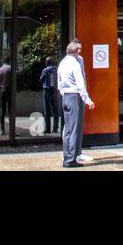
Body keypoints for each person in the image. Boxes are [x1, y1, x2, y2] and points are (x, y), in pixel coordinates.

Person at [57, 40, 95, 168]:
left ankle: (66, 157)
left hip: (65, 97)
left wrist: (64, 94)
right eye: (79, 50)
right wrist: (88, 100)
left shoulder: (62, 63)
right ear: (75, 51)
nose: (80, 52)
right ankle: (71, 160)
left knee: (67, 130)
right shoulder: (75, 64)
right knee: (73, 130)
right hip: (74, 96)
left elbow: (60, 82)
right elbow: (80, 84)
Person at [40, 56, 60, 133]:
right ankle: (55, 128)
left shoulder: (45, 70)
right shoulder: (57, 69)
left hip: (47, 91)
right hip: (55, 91)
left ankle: (47, 128)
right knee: (55, 111)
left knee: (47, 111)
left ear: (47, 62)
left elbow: (41, 79)